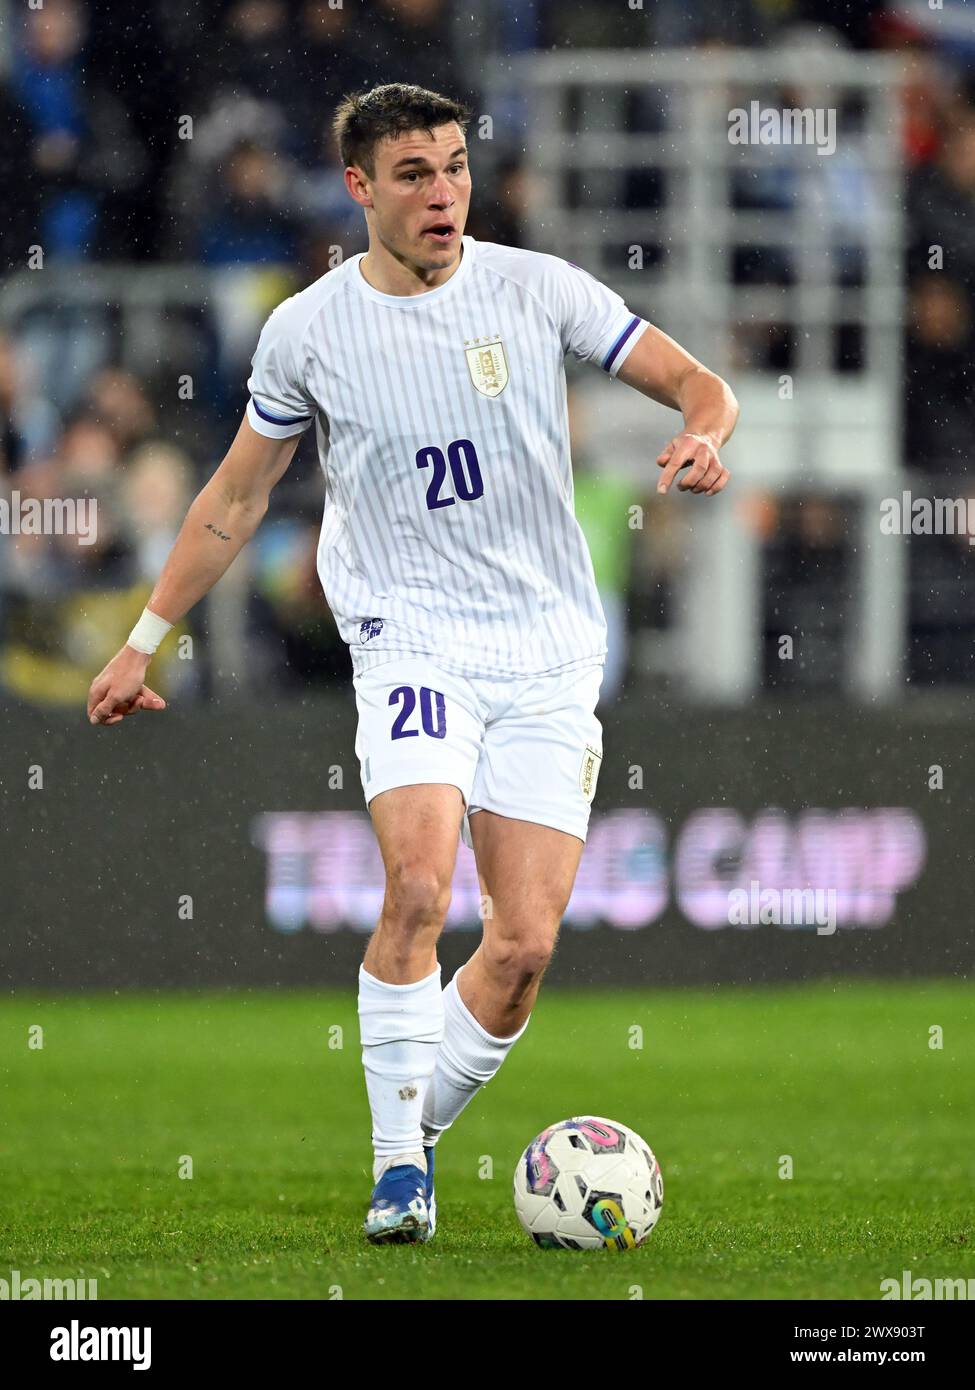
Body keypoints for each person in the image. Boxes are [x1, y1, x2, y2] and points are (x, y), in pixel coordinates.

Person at [86, 83, 738, 1245]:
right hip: (410, 637)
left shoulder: (538, 290)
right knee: (421, 889)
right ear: (359, 189)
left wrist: (703, 432)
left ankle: (413, 1121)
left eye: (454, 168)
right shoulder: (308, 332)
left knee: (525, 945)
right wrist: (146, 641)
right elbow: (237, 499)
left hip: (545, 649)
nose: (443, 196)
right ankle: (400, 1173)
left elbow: (702, 382)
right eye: (414, 176)